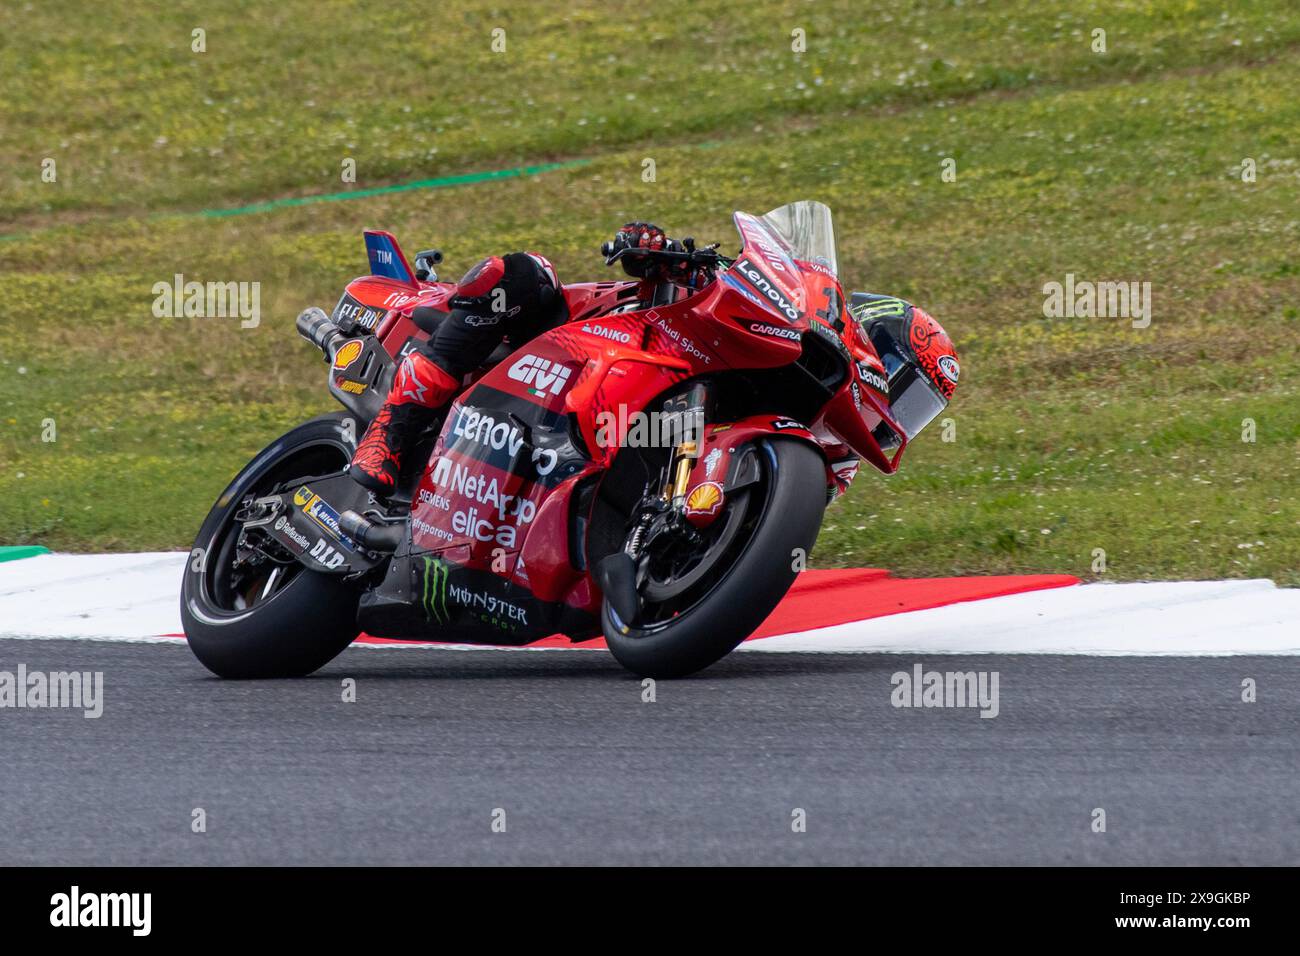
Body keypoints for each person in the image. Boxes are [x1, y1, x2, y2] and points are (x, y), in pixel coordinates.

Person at [348, 222, 683, 495]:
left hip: (589, 445)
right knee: (521, 273)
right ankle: (390, 433)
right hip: (550, 341)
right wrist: (668, 257)